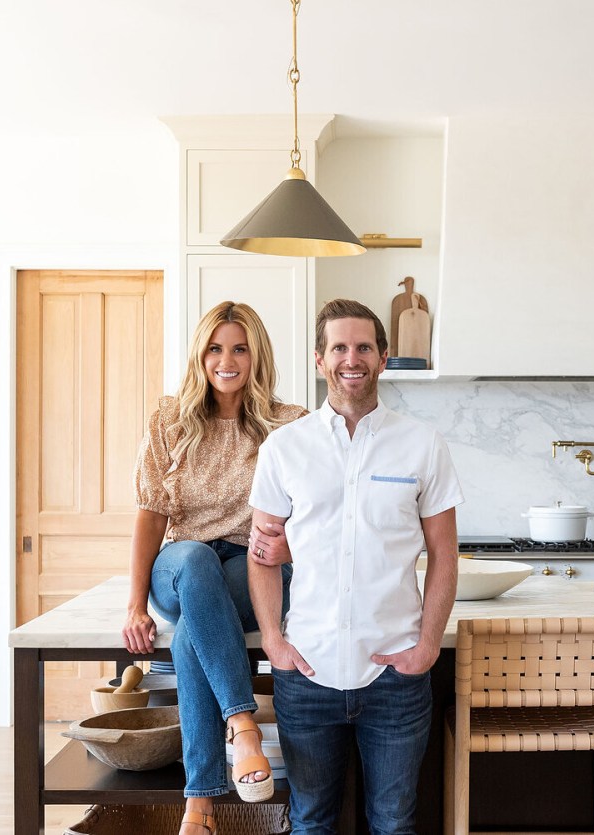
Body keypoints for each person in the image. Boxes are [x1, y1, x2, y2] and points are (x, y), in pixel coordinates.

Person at [247, 298, 464, 835]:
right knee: (310, 822)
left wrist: (429, 645)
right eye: (339, 347)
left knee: (393, 823)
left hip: (395, 675)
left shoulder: (422, 445)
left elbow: (445, 553)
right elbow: (262, 554)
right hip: (308, 673)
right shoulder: (284, 448)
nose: (352, 358)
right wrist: (274, 641)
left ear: (383, 358)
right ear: (320, 360)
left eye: (364, 347)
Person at [122, 300, 307, 835]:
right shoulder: (169, 419)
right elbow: (151, 512)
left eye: (240, 349)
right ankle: (242, 724)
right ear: (201, 355)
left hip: (256, 568)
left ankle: (199, 804)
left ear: (257, 356)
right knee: (198, 562)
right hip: (181, 564)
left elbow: (319, 511)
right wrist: (136, 604)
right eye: (215, 348)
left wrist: (289, 547)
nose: (227, 360)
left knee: (191, 639)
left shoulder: (288, 424)